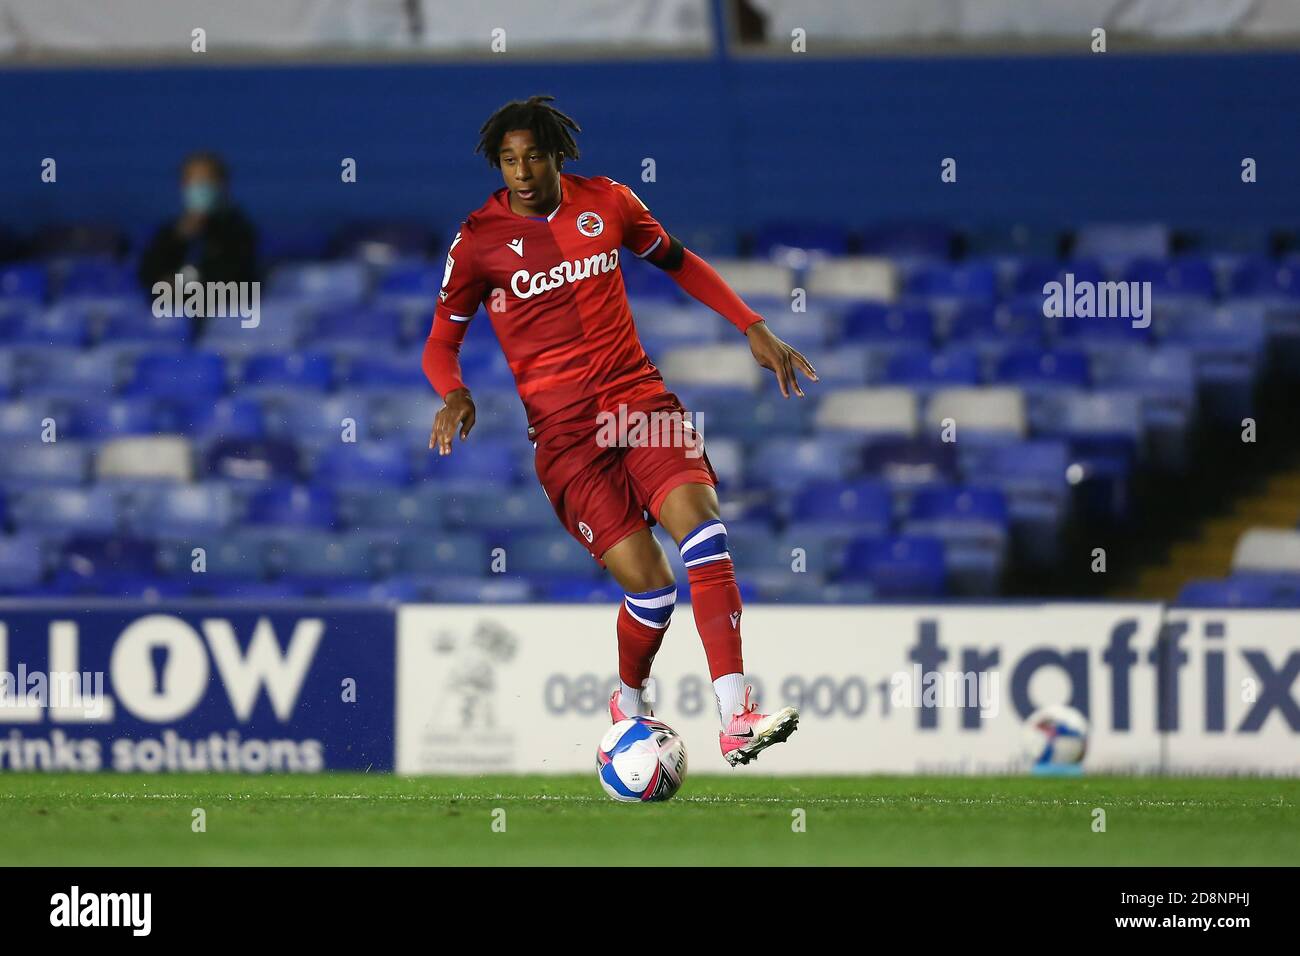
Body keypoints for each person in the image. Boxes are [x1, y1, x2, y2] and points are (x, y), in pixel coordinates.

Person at [422, 95, 818, 765]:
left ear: (559, 156)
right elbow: (439, 342)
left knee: (705, 530)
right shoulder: (477, 242)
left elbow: (681, 260)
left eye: (535, 157)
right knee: (653, 587)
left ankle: (735, 716)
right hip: (565, 437)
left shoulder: (608, 203)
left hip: (637, 402)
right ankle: (629, 702)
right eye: (509, 160)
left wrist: (751, 324)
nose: (522, 172)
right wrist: (453, 392)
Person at [137, 151, 257, 336]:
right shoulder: (170, 233)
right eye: (192, 180)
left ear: (221, 185)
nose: (198, 187)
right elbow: (148, 277)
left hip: (224, 323)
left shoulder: (239, 231)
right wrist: (179, 237)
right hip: (173, 322)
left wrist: (180, 284)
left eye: (205, 181)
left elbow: (233, 282)